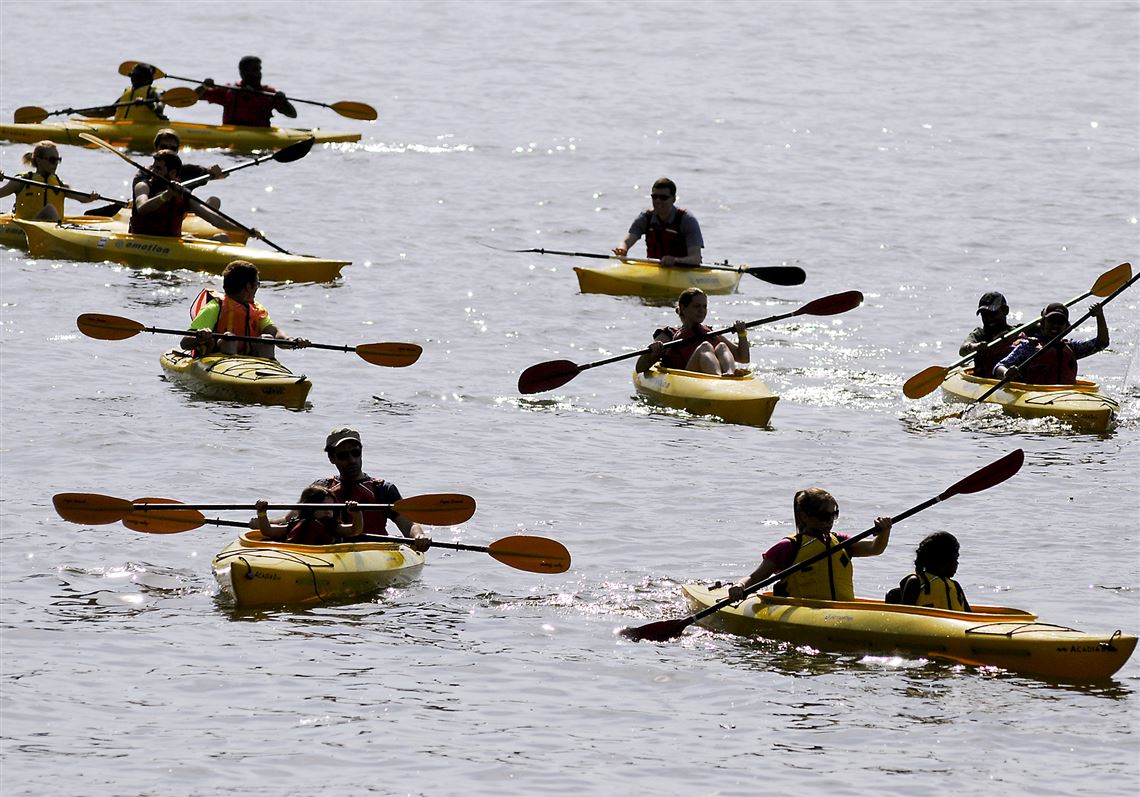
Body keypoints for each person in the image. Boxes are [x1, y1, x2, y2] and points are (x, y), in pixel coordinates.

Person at [727, 488, 892, 602]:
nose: (829, 521)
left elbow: (875, 548)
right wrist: (740, 586)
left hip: (842, 611)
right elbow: (755, 577)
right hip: (803, 610)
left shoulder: (841, 542)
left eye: (833, 515)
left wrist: (884, 531)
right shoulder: (788, 547)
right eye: (823, 516)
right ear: (804, 516)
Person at [309, 427, 432, 552]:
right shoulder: (321, 488)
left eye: (356, 453)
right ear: (332, 458)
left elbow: (408, 524)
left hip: (375, 552)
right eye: (343, 455)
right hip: (329, 553)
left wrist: (418, 536)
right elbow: (294, 519)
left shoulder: (383, 489)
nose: (352, 460)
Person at [180, 260, 308, 358]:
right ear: (248, 287)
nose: (258, 288)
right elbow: (184, 343)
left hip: (251, 367)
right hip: (219, 362)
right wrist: (200, 337)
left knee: (267, 339)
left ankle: (267, 377)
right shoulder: (214, 308)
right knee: (229, 338)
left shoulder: (257, 311)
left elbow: (274, 333)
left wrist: (291, 341)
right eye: (257, 284)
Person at [635, 287, 749, 375]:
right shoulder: (668, 334)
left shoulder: (709, 333)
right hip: (686, 377)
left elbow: (743, 358)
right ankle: (719, 378)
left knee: (722, 346)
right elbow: (639, 368)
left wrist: (742, 334)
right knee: (705, 346)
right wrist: (652, 353)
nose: (702, 310)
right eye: (697, 306)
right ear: (683, 308)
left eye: (704, 306)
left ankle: (730, 373)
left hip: (712, 379)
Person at [993, 301, 1109, 385]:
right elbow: (998, 367)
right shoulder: (1028, 346)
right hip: (1035, 396)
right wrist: (1006, 373)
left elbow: (1102, 343)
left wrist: (1100, 315)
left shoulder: (1072, 347)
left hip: (1065, 396)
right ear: (1043, 323)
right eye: (1051, 321)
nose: (1055, 326)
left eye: (1060, 322)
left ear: (1066, 327)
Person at [128, 150, 236, 238]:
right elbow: (142, 208)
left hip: (172, 244)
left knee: (222, 238)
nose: (152, 171)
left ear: (172, 173)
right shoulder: (143, 186)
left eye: (158, 169)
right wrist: (165, 196)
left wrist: (246, 232)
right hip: (141, 240)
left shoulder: (182, 193)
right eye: (153, 167)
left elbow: (214, 219)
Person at [613, 177, 703, 267]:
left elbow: (696, 258)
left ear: (674, 199)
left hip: (683, 270)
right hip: (654, 269)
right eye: (654, 197)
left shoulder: (687, 220)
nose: (658, 201)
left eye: (663, 198)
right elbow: (627, 241)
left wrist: (675, 260)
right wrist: (622, 249)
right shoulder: (646, 217)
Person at [0, 141, 97, 221]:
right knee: (49, 210)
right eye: (52, 160)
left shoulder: (61, 186)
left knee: (50, 210)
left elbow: (83, 199)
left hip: (50, 229)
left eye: (58, 160)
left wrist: (91, 197)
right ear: (38, 160)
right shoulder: (21, 182)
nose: (55, 164)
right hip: (27, 227)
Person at [195, 55, 297, 127]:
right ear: (243, 73)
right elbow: (194, 97)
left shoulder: (269, 93)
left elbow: (292, 115)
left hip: (260, 134)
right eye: (254, 70)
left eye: (259, 70)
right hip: (232, 132)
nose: (258, 74)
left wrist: (284, 101)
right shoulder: (229, 90)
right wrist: (203, 86)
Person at [884, 532, 971, 611]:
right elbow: (905, 615)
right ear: (942, 560)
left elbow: (969, 615)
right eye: (955, 559)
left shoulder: (956, 586)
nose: (957, 563)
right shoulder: (915, 582)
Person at [254, 485, 362, 545]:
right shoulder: (296, 524)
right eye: (323, 507)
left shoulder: (333, 526)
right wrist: (262, 513)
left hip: (325, 558)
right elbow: (267, 531)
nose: (328, 511)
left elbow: (355, 530)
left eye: (331, 507)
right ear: (310, 509)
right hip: (298, 556)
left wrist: (356, 514)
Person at [959, 291, 1016, 378]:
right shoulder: (979, 334)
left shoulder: (1019, 331)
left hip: (1014, 378)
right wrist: (975, 347)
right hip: (985, 379)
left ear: (1005, 310)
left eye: (993, 314)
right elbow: (962, 350)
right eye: (984, 315)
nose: (989, 319)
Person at [89, 62, 167, 121]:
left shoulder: (154, 92)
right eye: (132, 75)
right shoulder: (128, 92)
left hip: (142, 128)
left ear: (148, 79)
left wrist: (148, 103)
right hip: (122, 127)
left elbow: (159, 107)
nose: (133, 78)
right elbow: (107, 112)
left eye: (138, 76)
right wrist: (80, 112)